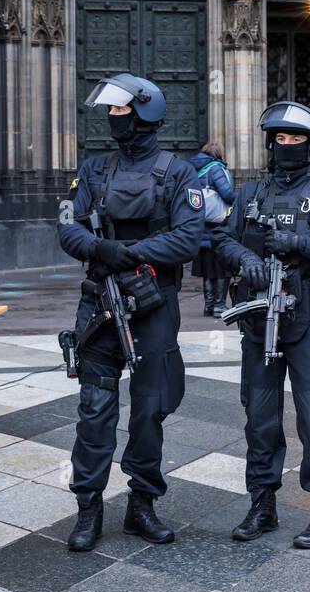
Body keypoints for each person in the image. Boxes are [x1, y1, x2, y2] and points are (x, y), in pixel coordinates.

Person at [57, 75, 203, 552]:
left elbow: (187, 238)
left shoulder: (178, 173)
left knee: (149, 410)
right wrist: (103, 248)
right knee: (95, 410)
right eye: (111, 111)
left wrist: (131, 253)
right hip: (101, 302)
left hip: (153, 303)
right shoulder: (95, 169)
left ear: (143, 114)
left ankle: (143, 503)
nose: (113, 118)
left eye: (120, 111)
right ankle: (89, 507)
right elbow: (67, 228)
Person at [213, 101, 310, 549]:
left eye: (296, 139)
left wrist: (299, 241)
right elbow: (220, 238)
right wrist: (247, 259)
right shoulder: (249, 194)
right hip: (258, 318)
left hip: (304, 318)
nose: (287, 146)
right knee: (259, 417)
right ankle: (262, 503)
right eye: (280, 139)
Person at [189, 140, 235, 318]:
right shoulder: (215, 168)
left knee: (208, 269)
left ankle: (208, 305)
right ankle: (219, 305)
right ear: (219, 154)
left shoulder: (194, 169)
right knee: (223, 267)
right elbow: (227, 194)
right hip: (218, 225)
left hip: (201, 224)